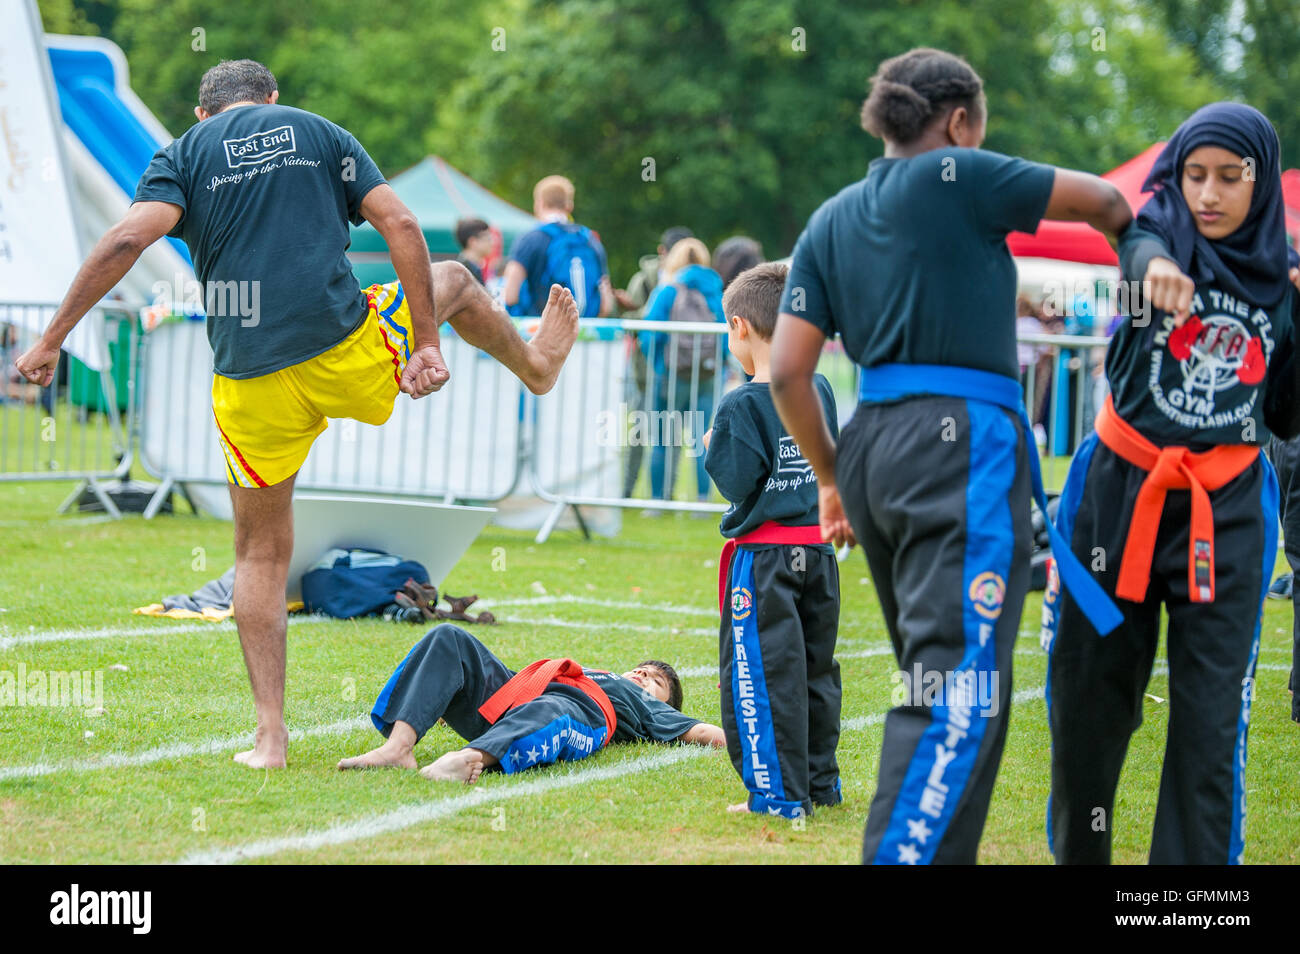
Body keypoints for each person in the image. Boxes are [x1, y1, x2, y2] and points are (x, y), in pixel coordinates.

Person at [13, 59, 580, 769]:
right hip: (342, 346)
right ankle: (536, 367)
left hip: (250, 380)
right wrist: (426, 346)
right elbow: (402, 223)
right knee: (457, 280)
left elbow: (129, 240)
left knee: (259, 553)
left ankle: (269, 739)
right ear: (273, 100)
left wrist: (51, 337)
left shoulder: (183, 155)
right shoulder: (316, 132)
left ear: (202, 113)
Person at [767, 47, 1131, 864]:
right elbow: (1107, 200)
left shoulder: (831, 216)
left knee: (943, 682)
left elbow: (788, 371)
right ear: (960, 121)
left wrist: (830, 478)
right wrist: (1151, 256)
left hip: (871, 449)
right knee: (958, 696)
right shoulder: (965, 176)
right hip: (959, 449)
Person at [1044, 104, 1300, 863]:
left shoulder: (1282, 288)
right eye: (1195, 176)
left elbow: (1283, 413)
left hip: (1228, 515)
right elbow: (1136, 239)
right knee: (1089, 701)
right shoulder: (1152, 240)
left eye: (1231, 177)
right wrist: (1152, 266)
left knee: (1210, 722)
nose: (1210, 195)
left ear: (1263, 183)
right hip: (1117, 497)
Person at [704, 262, 842, 818]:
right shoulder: (821, 387)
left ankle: (779, 795)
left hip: (764, 559)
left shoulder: (740, 403)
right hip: (819, 553)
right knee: (815, 670)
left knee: (762, 673)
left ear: (740, 327)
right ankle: (819, 783)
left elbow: (736, 483)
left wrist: (714, 443)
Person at [337, 623, 725, 779]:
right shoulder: (595, 672)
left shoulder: (644, 708)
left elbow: (702, 730)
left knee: (553, 709)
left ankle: (472, 758)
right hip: (515, 692)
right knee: (448, 636)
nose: (643, 676)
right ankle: (397, 748)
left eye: (655, 682)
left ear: (661, 707)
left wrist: (756, 736)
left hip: (579, 711)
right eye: (640, 670)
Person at [641, 237, 726, 505]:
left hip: (671, 374)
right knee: (702, 439)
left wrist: (658, 364)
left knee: (663, 438)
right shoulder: (716, 292)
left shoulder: (668, 290)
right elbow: (727, 336)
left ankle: (659, 500)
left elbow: (648, 335)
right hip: (708, 375)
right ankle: (702, 500)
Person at [614, 226, 694, 499]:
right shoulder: (645, 280)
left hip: (678, 372)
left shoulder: (691, 282)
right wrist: (641, 316)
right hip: (644, 371)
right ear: (664, 252)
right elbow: (631, 323)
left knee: (670, 435)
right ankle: (626, 490)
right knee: (638, 433)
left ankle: (665, 494)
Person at [502, 175, 614, 318]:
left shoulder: (531, 238)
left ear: (539, 203)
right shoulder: (589, 239)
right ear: (569, 205)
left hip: (542, 332)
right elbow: (606, 302)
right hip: (584, 331)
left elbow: (510, 294)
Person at [453, 217, 493, 285]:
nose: (492, 243)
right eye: (488, 238)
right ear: (473, 241)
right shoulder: (462, 273)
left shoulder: (474, 268)